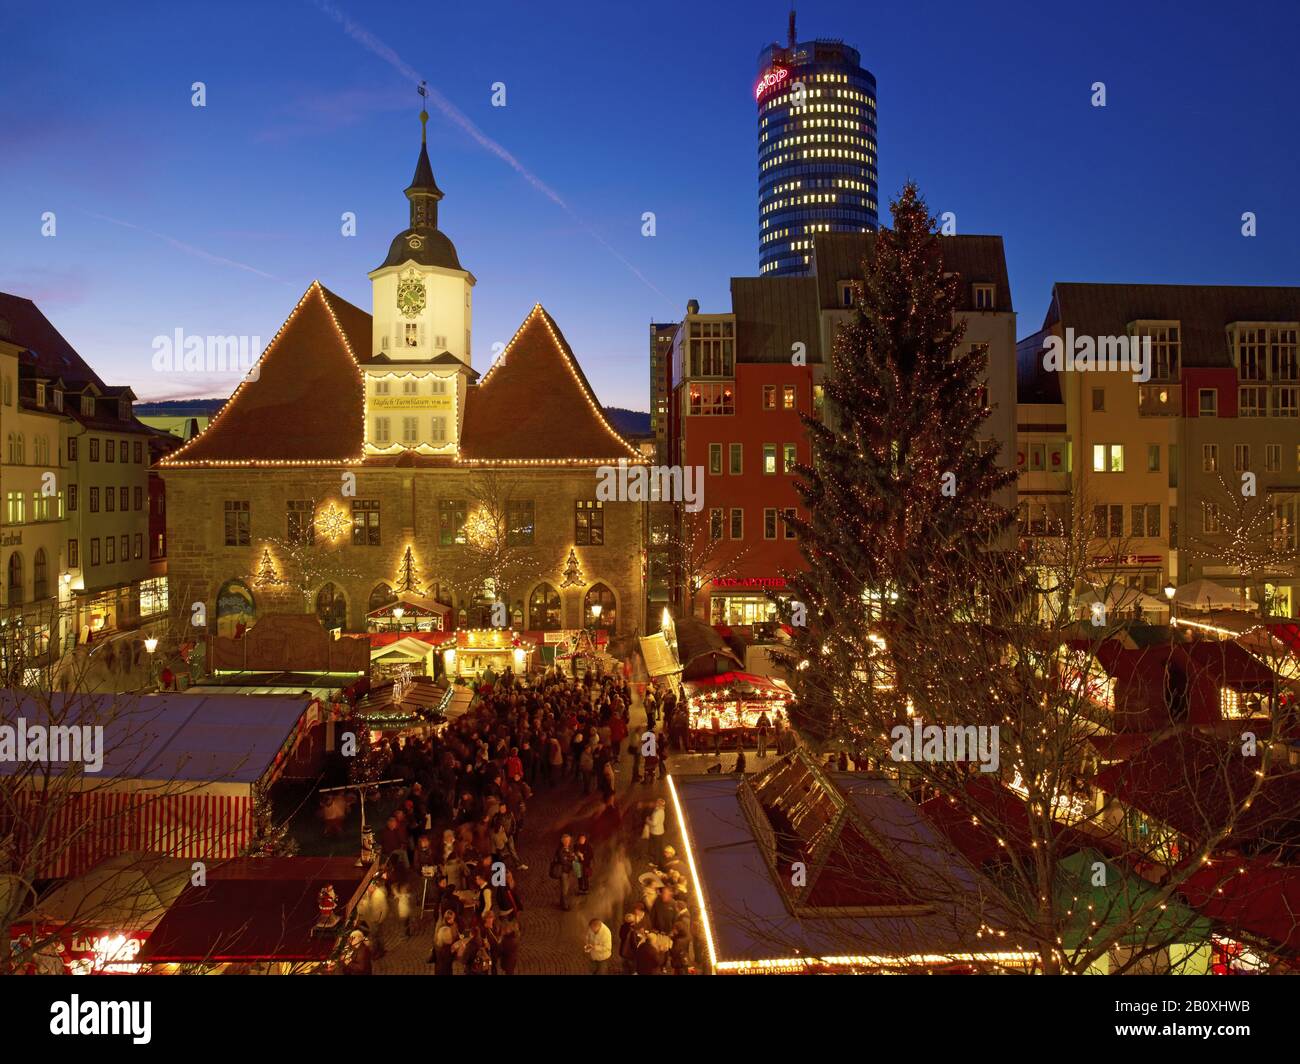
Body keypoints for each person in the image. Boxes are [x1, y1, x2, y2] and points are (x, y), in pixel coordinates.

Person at [553, 832, 579, 911]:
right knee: (565, 889)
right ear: (562, 841)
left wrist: (572, 857)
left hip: (567, 871)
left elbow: (569, 857)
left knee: (565, 888)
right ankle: (565, 906)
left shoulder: (568, 848)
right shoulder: (561, 850)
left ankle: (562, 903)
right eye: (566, 841)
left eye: (569, 840)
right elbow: (563, 861)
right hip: (563, 872)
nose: (568, 842)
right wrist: (571, 862)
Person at [645, 798, 666, 864]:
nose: (656, 803)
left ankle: (656, 862)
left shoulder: (657, 812)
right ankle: (661, 858)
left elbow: (654, 823)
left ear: (659, 804)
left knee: (656, 847)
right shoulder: (662, 810)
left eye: (657, 802)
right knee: (659, 846)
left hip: (655, 832)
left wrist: (647, 821)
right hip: (660, 831)